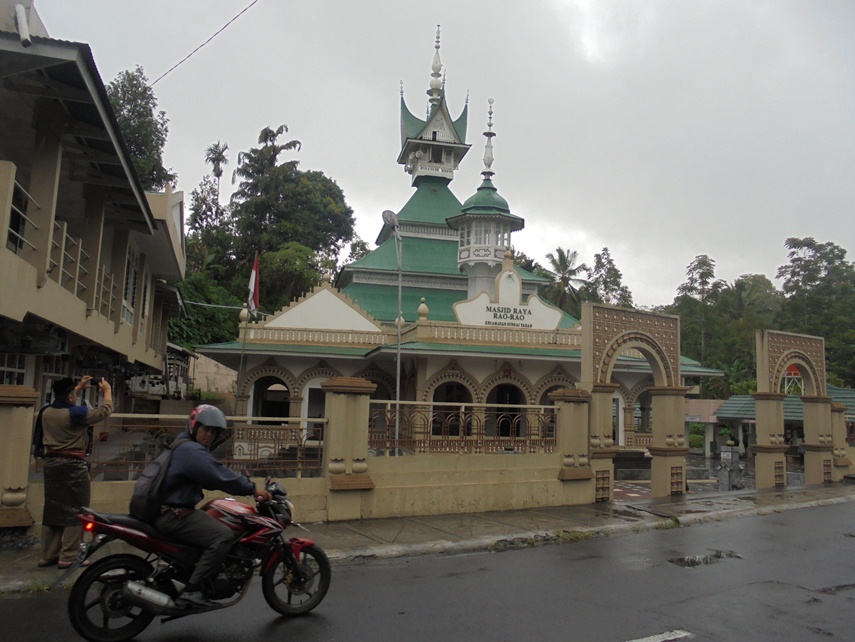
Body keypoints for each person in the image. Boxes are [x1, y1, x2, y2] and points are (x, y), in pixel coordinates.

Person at [154, 404, 272, 607]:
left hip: (167, 511)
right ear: (194, 426)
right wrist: (252, 489)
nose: (209, 435)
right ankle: (190, 591)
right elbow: (219, 475)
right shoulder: (192, 451)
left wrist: (230, 484)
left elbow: (211, 478)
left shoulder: (184, 446)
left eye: (213, 432)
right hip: (173, 515)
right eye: (205, 429)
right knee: (223, 535)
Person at [37, 376, 113, 569]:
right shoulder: (76, 414)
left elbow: (63, 403)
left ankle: (48, 554)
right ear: (70, 396)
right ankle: (69, 556)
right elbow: (103, 412)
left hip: (51, 465)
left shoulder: (46, 412)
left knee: (53, 509)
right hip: (73, 466)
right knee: (75, 511)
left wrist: (76, 389)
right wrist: (107, 392)